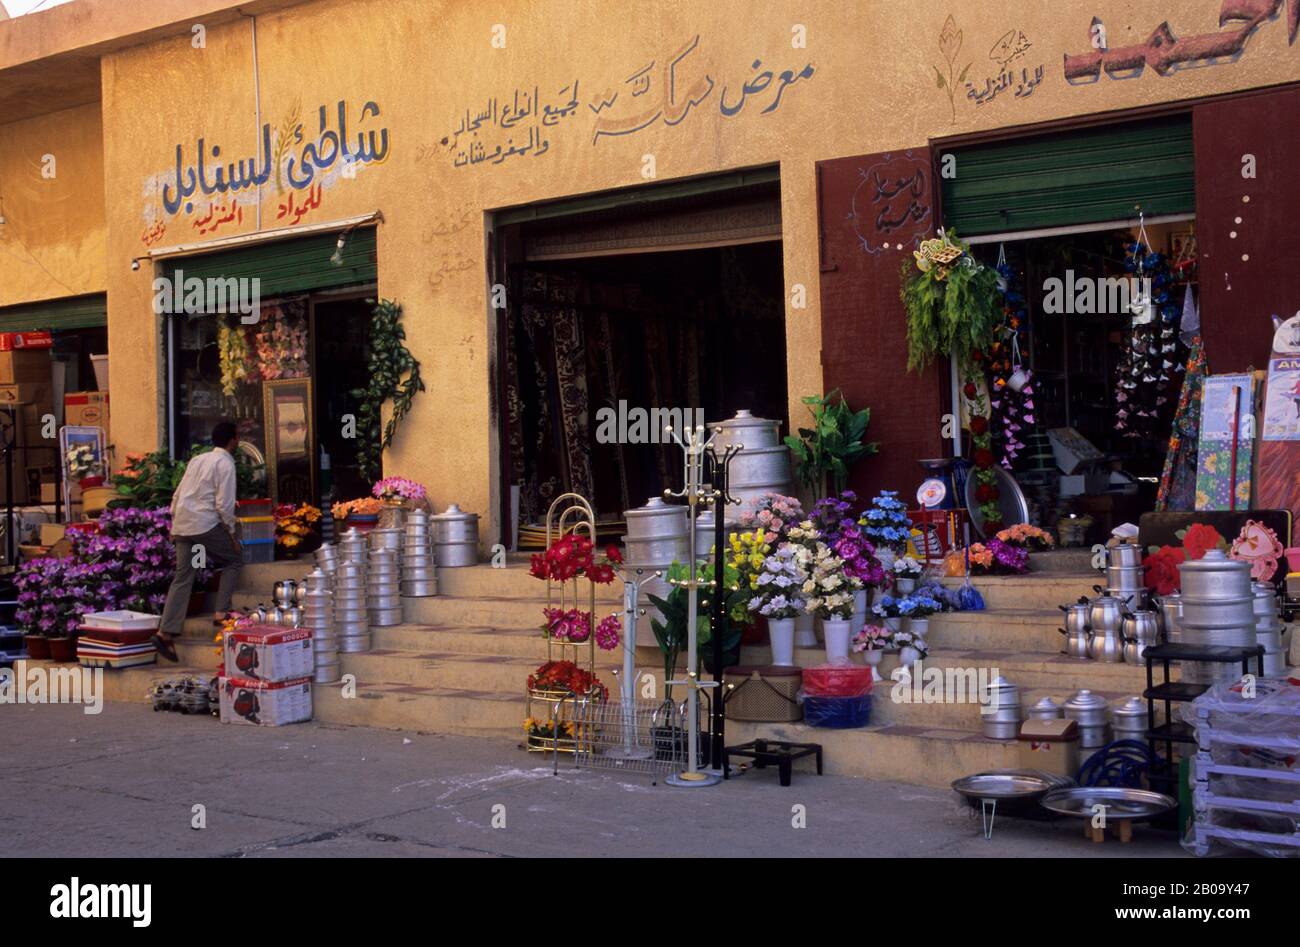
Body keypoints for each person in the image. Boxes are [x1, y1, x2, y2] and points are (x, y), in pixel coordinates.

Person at [154, 421, 243, 661]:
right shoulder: (226, 463)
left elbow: (178, 494)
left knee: (184, 575)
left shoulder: (198, 460)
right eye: (237, 437)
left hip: (183, 525)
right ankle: (221, 612)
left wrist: (175, 521)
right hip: (204, 525)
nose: (238, 440)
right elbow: (224, 505)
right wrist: (232, 535)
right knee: (233, 560)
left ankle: (165, 632)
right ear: (232, 440)